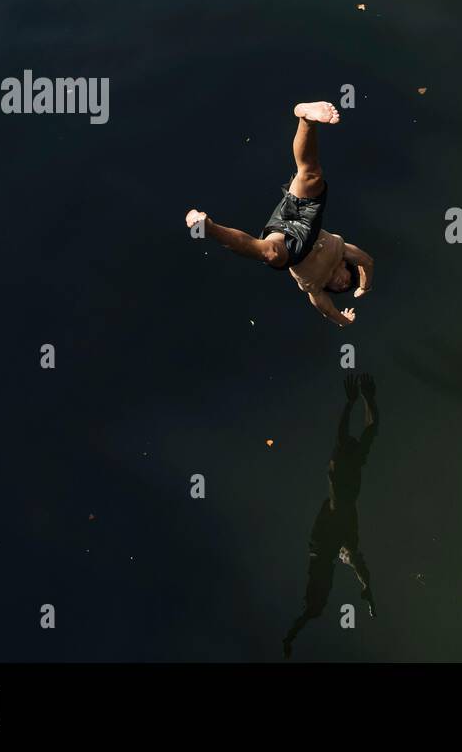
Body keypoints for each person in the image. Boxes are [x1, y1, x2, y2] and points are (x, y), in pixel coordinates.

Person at [185, 102, 373, 327]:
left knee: (269, 253)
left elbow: (330, 313)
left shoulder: (315, 290)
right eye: (347, 280)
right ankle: (306, 119)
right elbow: (367, 262)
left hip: (291, 250)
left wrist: (345, 320)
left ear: (328, 289)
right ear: (345, 265)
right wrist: (364, 285)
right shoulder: (343, 250)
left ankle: (208, 227)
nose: (343, 284)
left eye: (340, 288)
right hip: (308, 221)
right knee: (311, 175)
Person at [283, 372, 381, 658]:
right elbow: (366, 429)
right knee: (348, 559)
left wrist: (359, 401)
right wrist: (360, 401)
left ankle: (366, 589)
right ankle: (366, 589)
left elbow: (367, 429)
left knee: (349, 559)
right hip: (335, 525)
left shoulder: (349, 461)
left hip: (334, 527)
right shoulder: (347, 462)